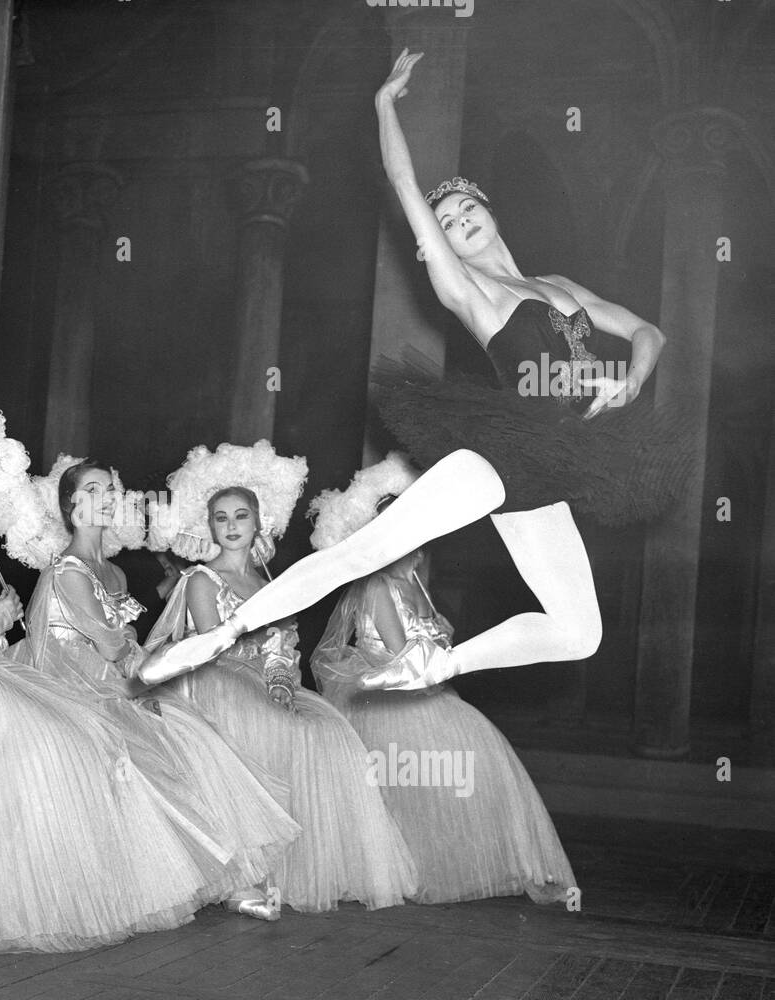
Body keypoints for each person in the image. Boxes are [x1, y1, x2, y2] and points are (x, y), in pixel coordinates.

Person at [139, 47, 684, 693]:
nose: (459, 223)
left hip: (556, 466)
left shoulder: (558, 284)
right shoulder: (473, 293)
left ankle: (437, 664)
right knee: (366, 551)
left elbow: (649, 332)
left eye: (465, 210)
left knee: (579, 632)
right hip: (502, 452)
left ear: (489, 209)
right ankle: (215, 638)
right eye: (447, 224)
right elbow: (404, 184)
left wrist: (633, 379)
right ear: (443, 245)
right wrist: (384, 105)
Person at [0, 442, 274, 952]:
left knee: (185, 736)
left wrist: (151, 675)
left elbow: (93, 645)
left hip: (27, 678)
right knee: (97, 744)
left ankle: (218, 875)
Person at [15, 459, 301, 921]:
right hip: (76, 686)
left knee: (194, 736)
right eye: (94, 489)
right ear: (72, 505)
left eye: (111, 488)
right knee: (160, 742)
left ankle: (237, 877)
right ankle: (221, 878)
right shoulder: (67, 571)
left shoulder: (114, 574)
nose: (108, 496)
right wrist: (158, 667)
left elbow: (124, 646)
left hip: (116, 681)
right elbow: (111, 648)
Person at [144, 486, 418, 912]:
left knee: (328, 730)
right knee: (272, 724)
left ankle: (304, 869)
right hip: (217, 679)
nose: (231, 526)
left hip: (262, 679)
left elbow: (284, 643)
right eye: (221, 517)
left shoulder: (267, 581)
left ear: (257, 523)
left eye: (240, 516)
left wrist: (281, 679)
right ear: (211, 526)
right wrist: (266, 671)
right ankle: (242, 879)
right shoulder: (201, 578)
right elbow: (216, 647)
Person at [312, 536, 576, 905]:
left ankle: (512, 863)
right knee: (429, 766)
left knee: (485, 749)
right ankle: (416, 867)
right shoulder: (376, 585)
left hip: (423, 690)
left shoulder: (417, 580)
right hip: (387, 695)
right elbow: (400, 654)